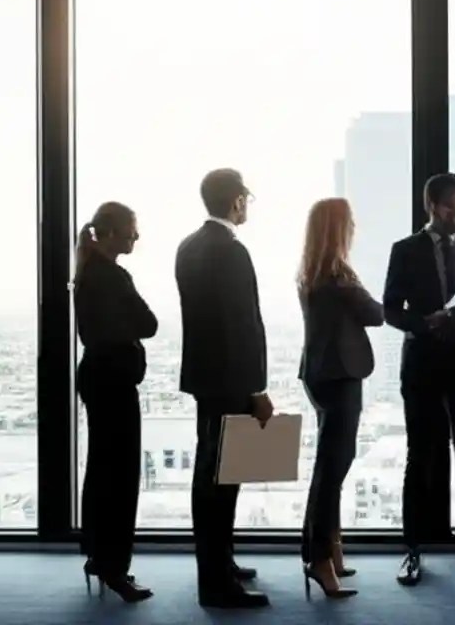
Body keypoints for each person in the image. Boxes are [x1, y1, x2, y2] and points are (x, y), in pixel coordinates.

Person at [383, 173, 455, 586]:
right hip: (424, 362)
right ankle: (413, 549)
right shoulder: (405, 250)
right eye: (450, 207)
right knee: (420, 455)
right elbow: (390, 310)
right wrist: (423, 322)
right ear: (431, 205)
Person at [175, 168, 274, 609]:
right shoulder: (232, 251)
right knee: (222, 480)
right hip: (233, 380)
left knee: (210, 477)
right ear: (236, 201)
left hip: (205, 379)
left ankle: (219, 564)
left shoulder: (188, 247)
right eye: (246, 199)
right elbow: (242, 325)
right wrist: (257, 388)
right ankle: (216, 582)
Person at [297, 198, 383, 601]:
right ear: (338, 230)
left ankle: (328, 549)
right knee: (332, 470)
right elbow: (374, 314)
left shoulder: (312, 274)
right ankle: (319, 559)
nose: (354, 230)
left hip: (320, 374)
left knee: (328, 467)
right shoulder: (338, 276)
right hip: (340, 376)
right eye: (349, 223)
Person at [73, 201, 157, 604]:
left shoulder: (88, 272)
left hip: (98, 378)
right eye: (130, 230)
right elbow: (148, 324)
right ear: (109, 233)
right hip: (114, 382)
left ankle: (99, 556)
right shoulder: (112, 276)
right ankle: (114, 567)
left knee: (102, 469)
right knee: (121, 476)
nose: (136, 237)